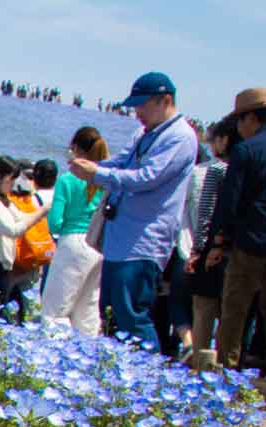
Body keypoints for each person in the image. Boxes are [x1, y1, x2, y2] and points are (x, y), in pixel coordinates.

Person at [68, 72, 198, 348]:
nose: (137, 112)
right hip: (119, 238)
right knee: (109, 313)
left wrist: (98, 175)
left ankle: (147, 378)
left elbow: (147, 178)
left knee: (132, 315)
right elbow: (122, 162)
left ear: (165, 101)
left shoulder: (181, 136)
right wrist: (91, 166)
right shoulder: (144, 132)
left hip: (144, 240)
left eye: (142, 105)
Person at [206, 88, 266, 372]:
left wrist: (218, 241)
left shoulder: (247, 150)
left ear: (251, 118)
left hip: (250, 242)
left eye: (239, 121)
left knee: (234, 309)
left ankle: (226, 371)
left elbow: (228, 203)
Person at [40, 127, 109, 334]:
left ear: (76, 149)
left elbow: (54, 222)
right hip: (98, 243)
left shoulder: (67, 179)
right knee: (87, 311)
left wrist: (57, 232)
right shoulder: (104, 179)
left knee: (55, 310)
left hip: (73, 241)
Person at [0, 156, 51, 318]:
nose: (13, 185)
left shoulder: (4, 200)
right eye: (10, 180)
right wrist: (41, 212)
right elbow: (13, 230)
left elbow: (21, 217)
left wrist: (38, 212)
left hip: (1, 265)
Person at [184, 117, 237, 360]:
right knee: (234, 313)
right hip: (239, 249)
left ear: (224, 141)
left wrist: (197, 249)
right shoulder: (250, 167)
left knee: (204, 308)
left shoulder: (217, 170)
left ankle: (200, 362)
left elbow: (206, 212)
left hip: (213, 247)